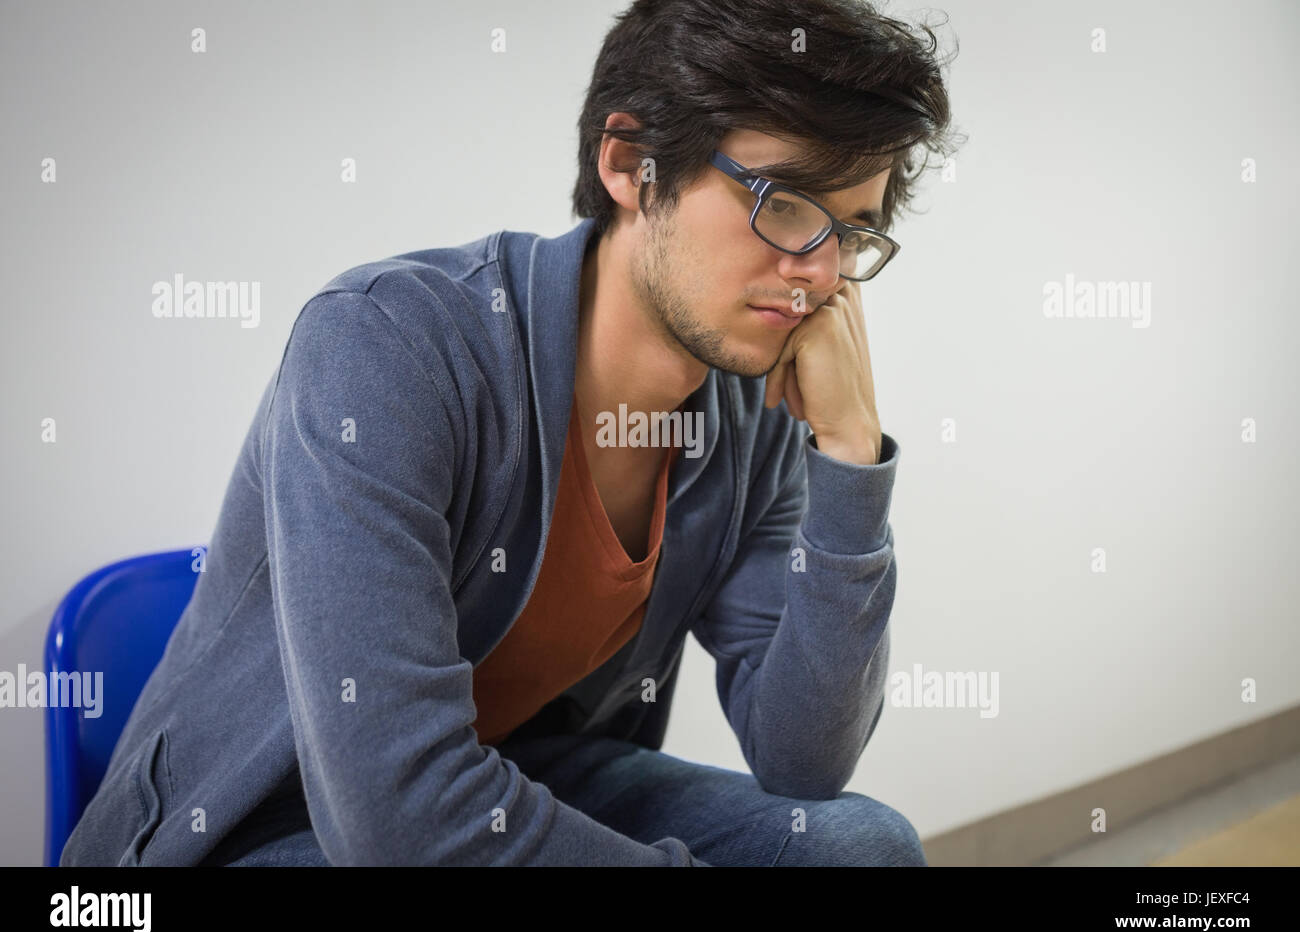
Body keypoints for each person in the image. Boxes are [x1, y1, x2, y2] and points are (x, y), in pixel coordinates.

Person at [60, 0, 961, 867]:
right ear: (630, 163)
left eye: (852, 233)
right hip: (260, 826)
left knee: (858, 847)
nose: (816, 273)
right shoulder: (387, 344)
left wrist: (850, 456)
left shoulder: (751, 409)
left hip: (514, 778)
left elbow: (803, 760)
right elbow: (397, 818)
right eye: (787, 201)